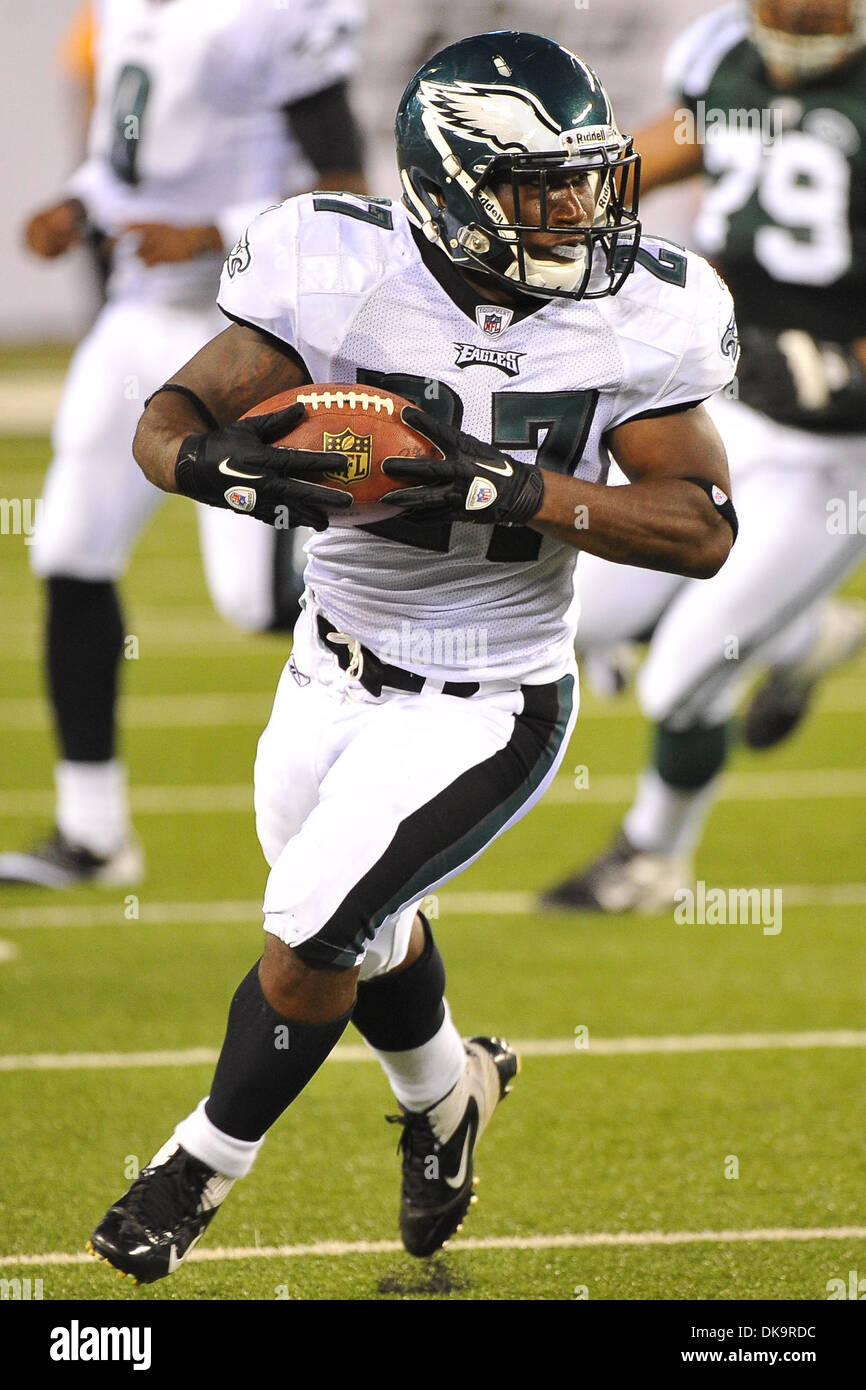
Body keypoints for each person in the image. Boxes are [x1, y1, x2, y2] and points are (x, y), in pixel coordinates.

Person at [85, 29, 737, 1283]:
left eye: (581, 178)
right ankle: (450, 1097)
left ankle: (193, 1171)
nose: (574, 211)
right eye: (535, 187)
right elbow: (170, 418)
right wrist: (210, 466)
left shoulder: (643, 307)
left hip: (489, 691)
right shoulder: (329, 261)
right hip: (326, 664)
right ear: (445, 185)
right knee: (364, 926)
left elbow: (700, 530)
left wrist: (517, 487)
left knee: (315, 923)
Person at [0, 0, 367, 889]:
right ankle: (93, 832)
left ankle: (507, 614)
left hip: (242, 324)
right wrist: (79, 204)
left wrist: (209, 233)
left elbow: (348, 190)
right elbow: (131, 152)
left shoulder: (282, 12)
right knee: (71, 553)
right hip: (137, 314)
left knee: (253, 601)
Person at [543, 0, 866, 914]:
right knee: (584, 618)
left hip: (839, 453)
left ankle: (654, 857)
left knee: (685, 676)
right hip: (731, 406)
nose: (806, 17)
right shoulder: (721, 49)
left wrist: (841, 363)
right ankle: (808, 635)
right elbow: (681, 137)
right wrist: (576, 201)